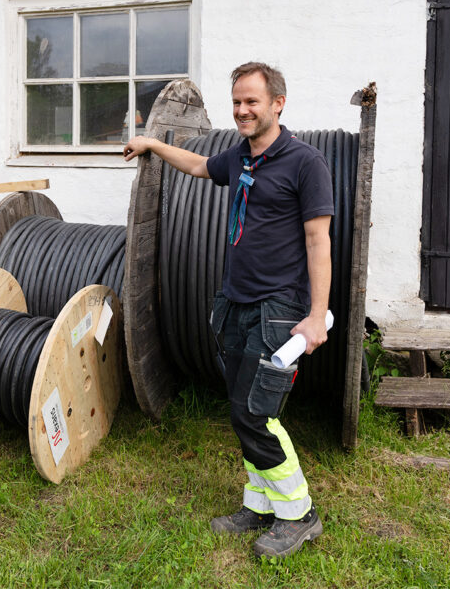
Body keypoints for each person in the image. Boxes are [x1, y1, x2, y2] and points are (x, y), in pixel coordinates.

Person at [123, 63, 333, 559]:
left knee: (255, 412)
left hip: (278, 309)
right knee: (241, 407)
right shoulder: (241, 157)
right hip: (234, 301)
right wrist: (152, 144)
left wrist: (316, 314)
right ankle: (260, 505)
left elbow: (318, 239)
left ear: (278, 103)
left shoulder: (306, 163)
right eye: (236, 101)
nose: (242, 110)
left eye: (252, 102)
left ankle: (300, 514)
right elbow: (198, 165)